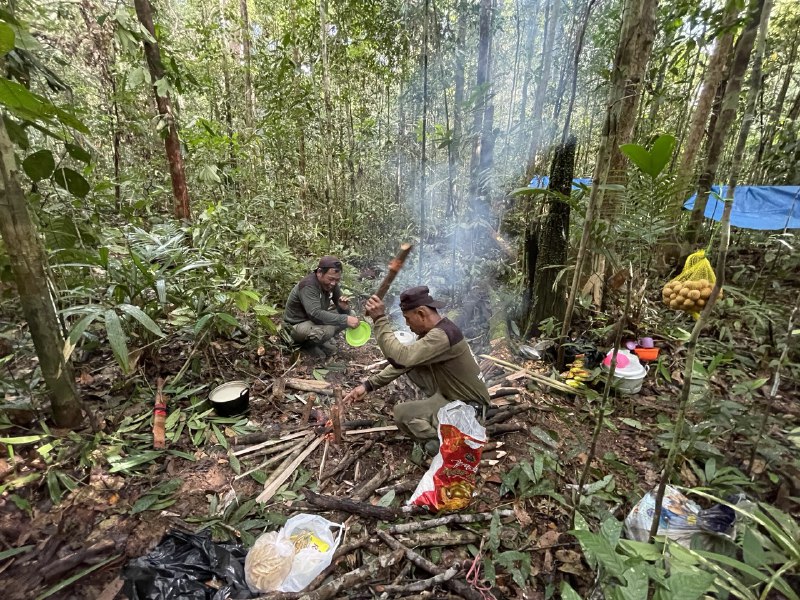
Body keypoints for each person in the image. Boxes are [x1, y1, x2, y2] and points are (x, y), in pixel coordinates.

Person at [343, 286, 490, 454]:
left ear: (421, 313)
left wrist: (380, 319)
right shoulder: (434, 332)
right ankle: (441, 427)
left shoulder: (442, 335)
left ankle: (452, 439)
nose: (407, 324)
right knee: (413, 365)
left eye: (407, 318)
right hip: (449, 396)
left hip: (469, 409)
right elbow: (404, 364)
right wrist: (368, 385)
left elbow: (400, 358)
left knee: (402, 414)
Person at [283, 256, 359, 358]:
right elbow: (315, 314)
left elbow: (344, 312)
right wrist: (344, 319)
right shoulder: (308, 285)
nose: (333, 283)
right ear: (319, 272)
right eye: (330, 279)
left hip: (313, 321)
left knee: (351, 314)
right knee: (329, 329)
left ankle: (319, 343)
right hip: (295, 325)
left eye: (337, 280)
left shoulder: (332, 284)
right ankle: (306, 347)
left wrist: (344, 308)